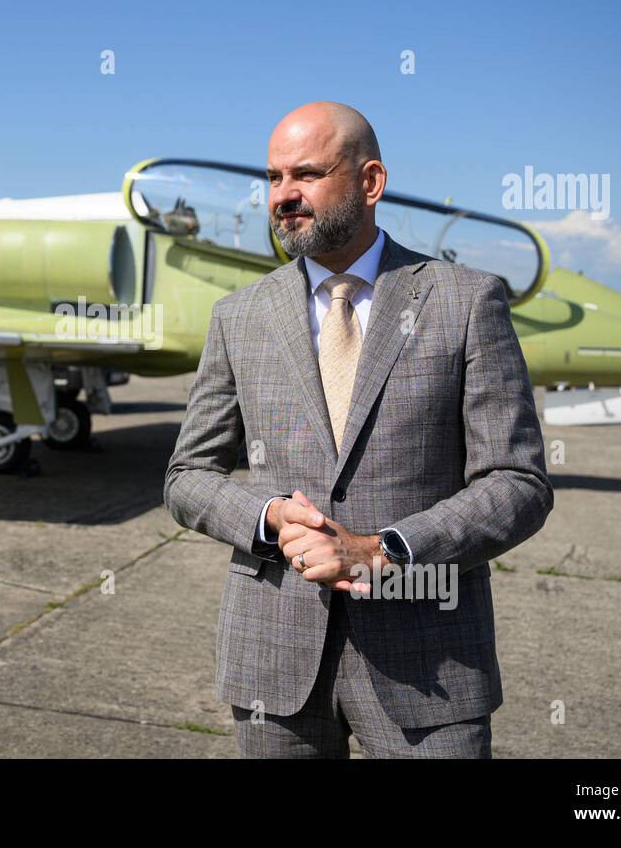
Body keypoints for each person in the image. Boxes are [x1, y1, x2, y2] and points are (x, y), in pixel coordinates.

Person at [163, 102, 553, 758]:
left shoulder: (466, 301)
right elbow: (186, 477)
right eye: (273, 177)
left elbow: (518, 484)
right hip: (273, 660)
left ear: (370, 182)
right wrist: (267, 518)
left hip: (430, 664)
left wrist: (383, 551)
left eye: (307, 174)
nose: (284, 195)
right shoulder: (239, 316)